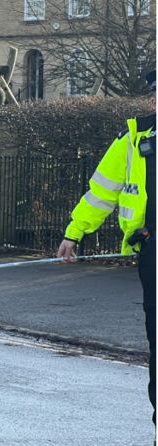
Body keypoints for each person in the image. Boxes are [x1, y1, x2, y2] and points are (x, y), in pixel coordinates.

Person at [57, 70, 156, 426]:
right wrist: (75, 232)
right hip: (152, 250)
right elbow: (100, 194)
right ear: (153, 101)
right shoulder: (132, 141)